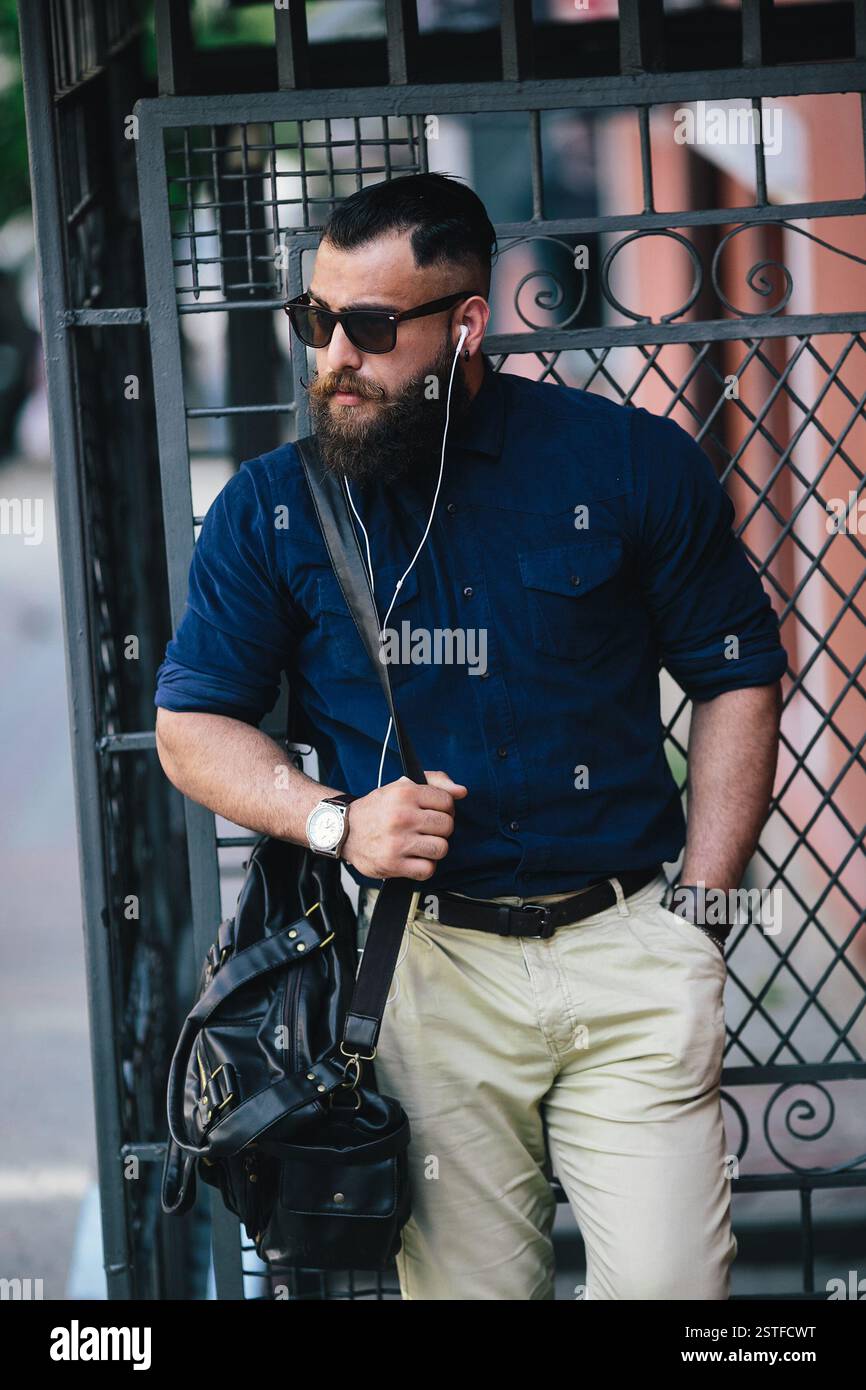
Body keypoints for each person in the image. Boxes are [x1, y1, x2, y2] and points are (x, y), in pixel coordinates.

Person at [154, 171, 786, 1301]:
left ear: (465, 326)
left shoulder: (625, 466)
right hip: (420, 972)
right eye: (315, 321)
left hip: (624, 950)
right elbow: (189, 725)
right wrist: (333, 819)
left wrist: (701, 907)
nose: (332, 356)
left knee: (673, 1291)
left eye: (369, 327)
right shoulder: (270, 507)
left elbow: (735, 671)